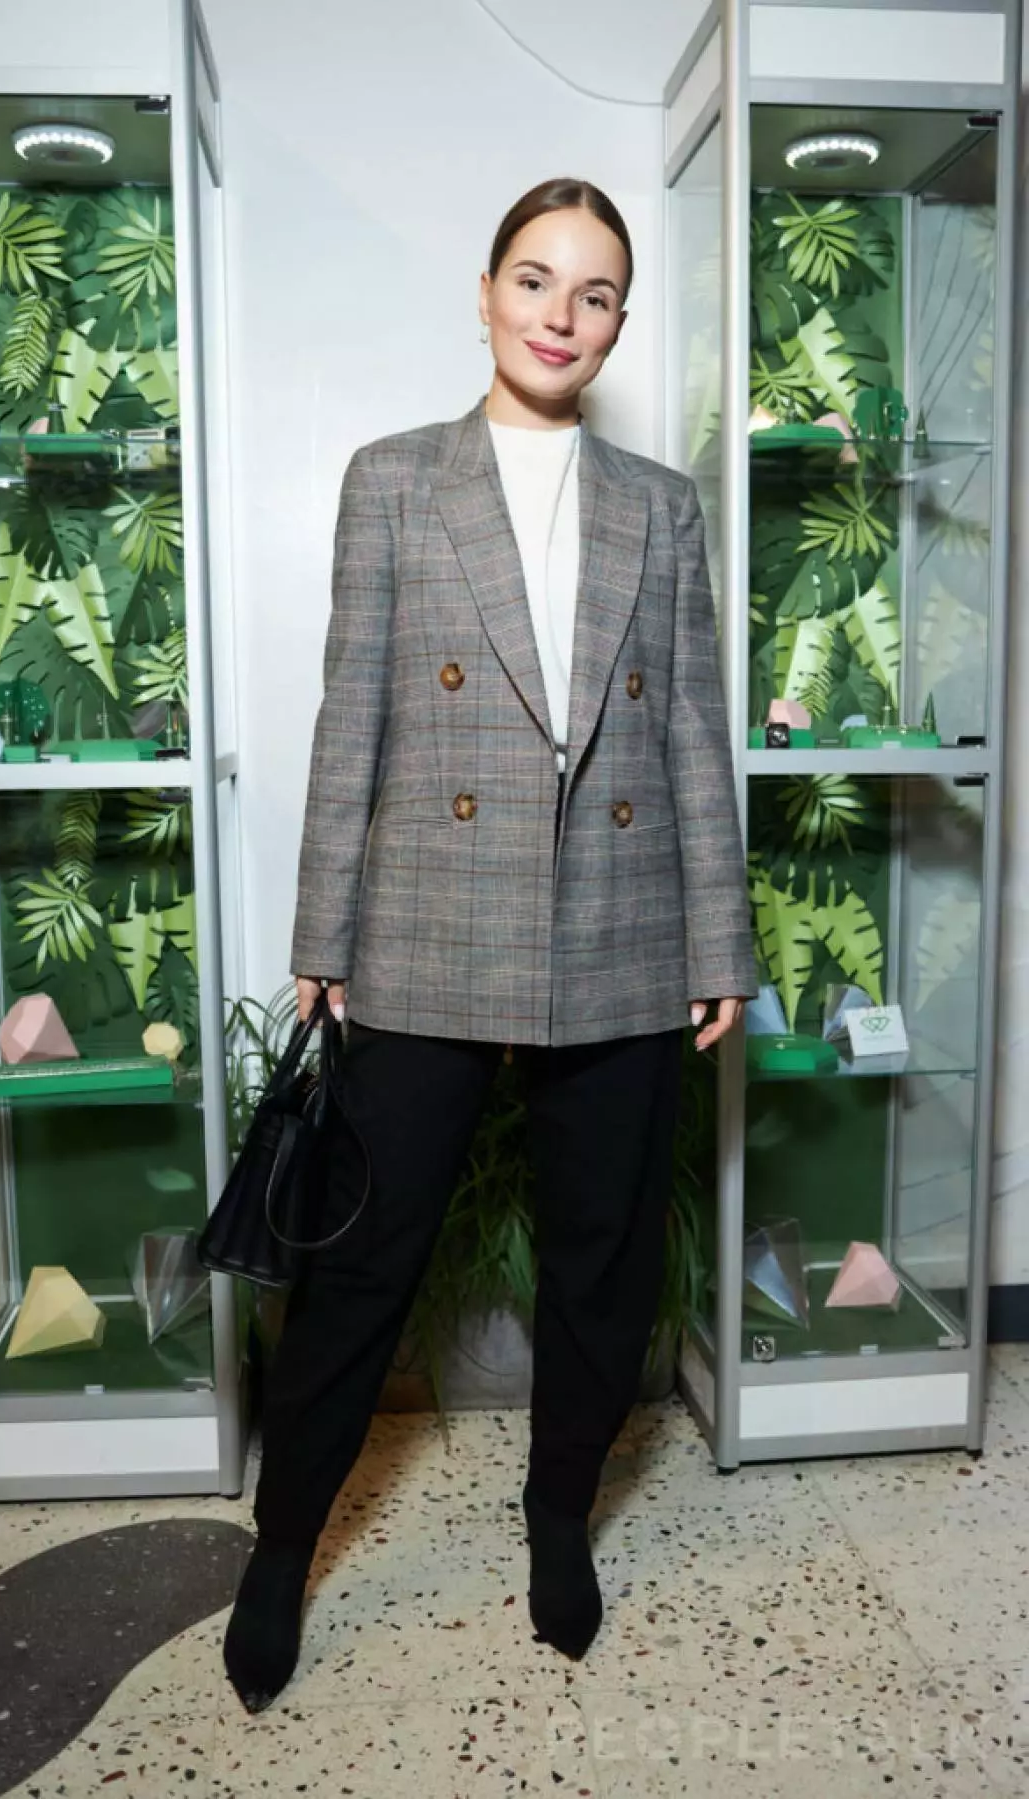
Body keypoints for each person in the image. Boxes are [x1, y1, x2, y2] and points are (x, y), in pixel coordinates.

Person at [222, 176, 757, 1713]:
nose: (560, 315)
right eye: (536, 280)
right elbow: (353, 724)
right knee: (361, 1265)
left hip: (623, 925)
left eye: (594, 295)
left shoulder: (661, 504)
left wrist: (715, 938)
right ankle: (282, 1552)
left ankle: (556, 1518)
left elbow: (698, 747)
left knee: (603, 1262)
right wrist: (326, 932)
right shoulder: (393, 479)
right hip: (428, 921)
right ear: (484, 290)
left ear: (617, 322)